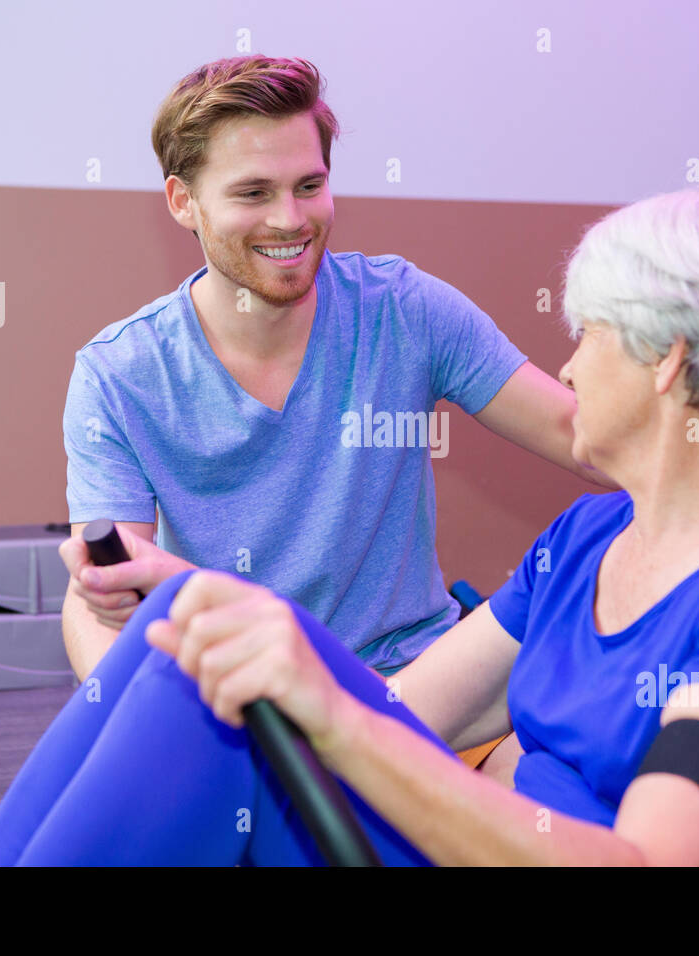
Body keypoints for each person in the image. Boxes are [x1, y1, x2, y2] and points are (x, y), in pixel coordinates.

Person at [0, 174, 699, 866]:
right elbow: (408, 715)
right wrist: (203, 600)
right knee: (182, 627)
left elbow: (649, 863)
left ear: (668, 359)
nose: (566, 370)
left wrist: (325, 707)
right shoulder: (590, 539)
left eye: (589, 335)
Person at [59, 55, 610, 685]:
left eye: (309, 186)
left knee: (532, 780)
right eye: (253, 192)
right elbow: (108, 593)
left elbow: (585, 436)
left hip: (415, 687)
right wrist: (120, 720)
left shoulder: (405, 309)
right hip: (244, 699)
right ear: (182, 201)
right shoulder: (118, 374)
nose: (290, 219)